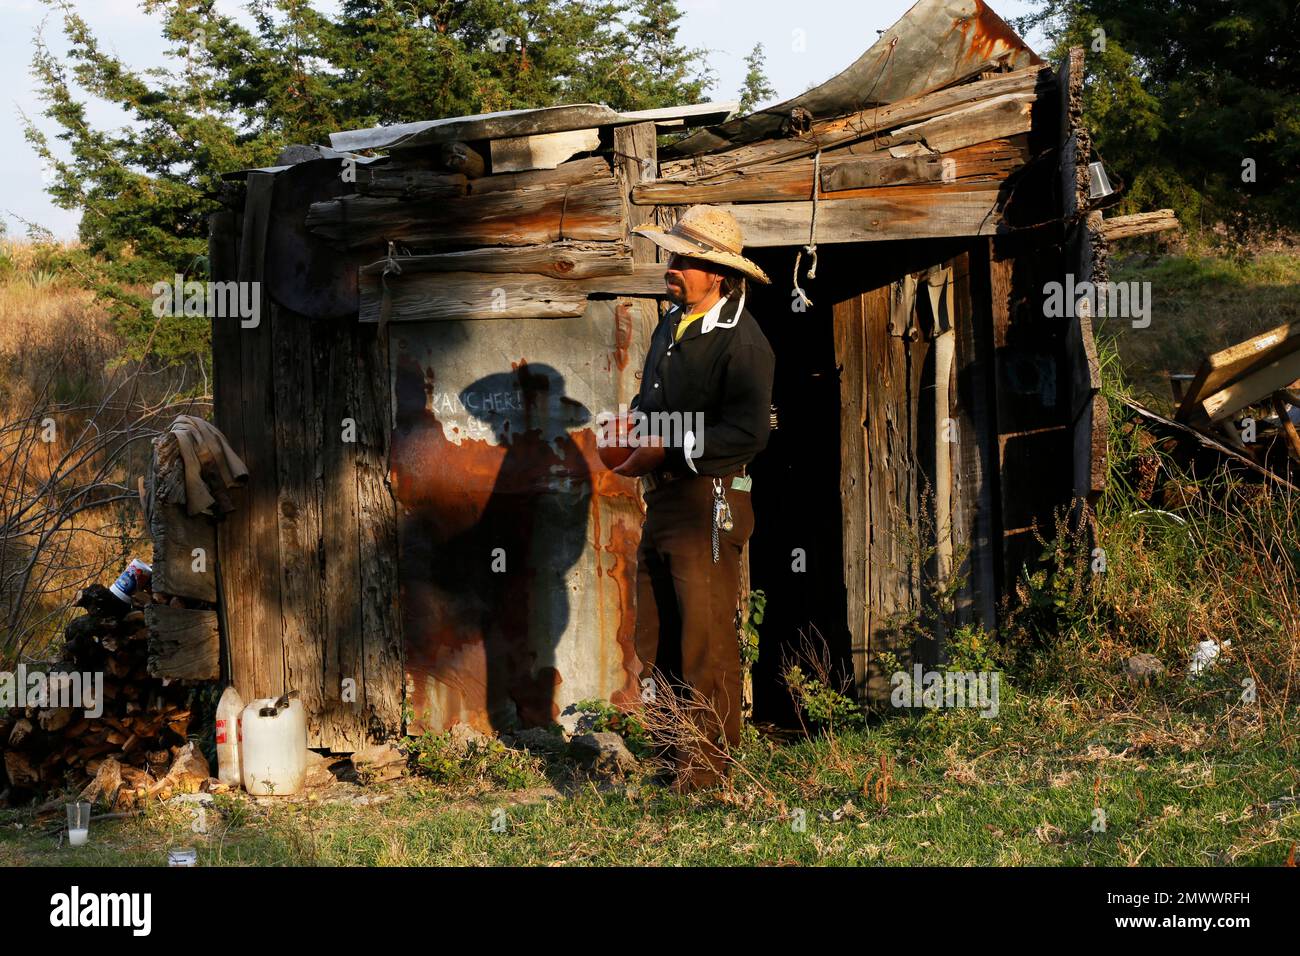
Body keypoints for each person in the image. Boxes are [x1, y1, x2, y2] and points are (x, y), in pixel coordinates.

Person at [614, 205, 775, 791]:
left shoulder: (744, 343)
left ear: (719, 274)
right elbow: (650, 403)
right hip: (664, 499)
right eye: (674, 257)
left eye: (687, 260)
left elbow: (747, 433)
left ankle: (708, 775)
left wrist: (667, 449)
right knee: (654, 635)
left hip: (710, 496)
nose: (673, 267)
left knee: (704, 637)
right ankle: (670, 758)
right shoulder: (670, 324)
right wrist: (630, 432)